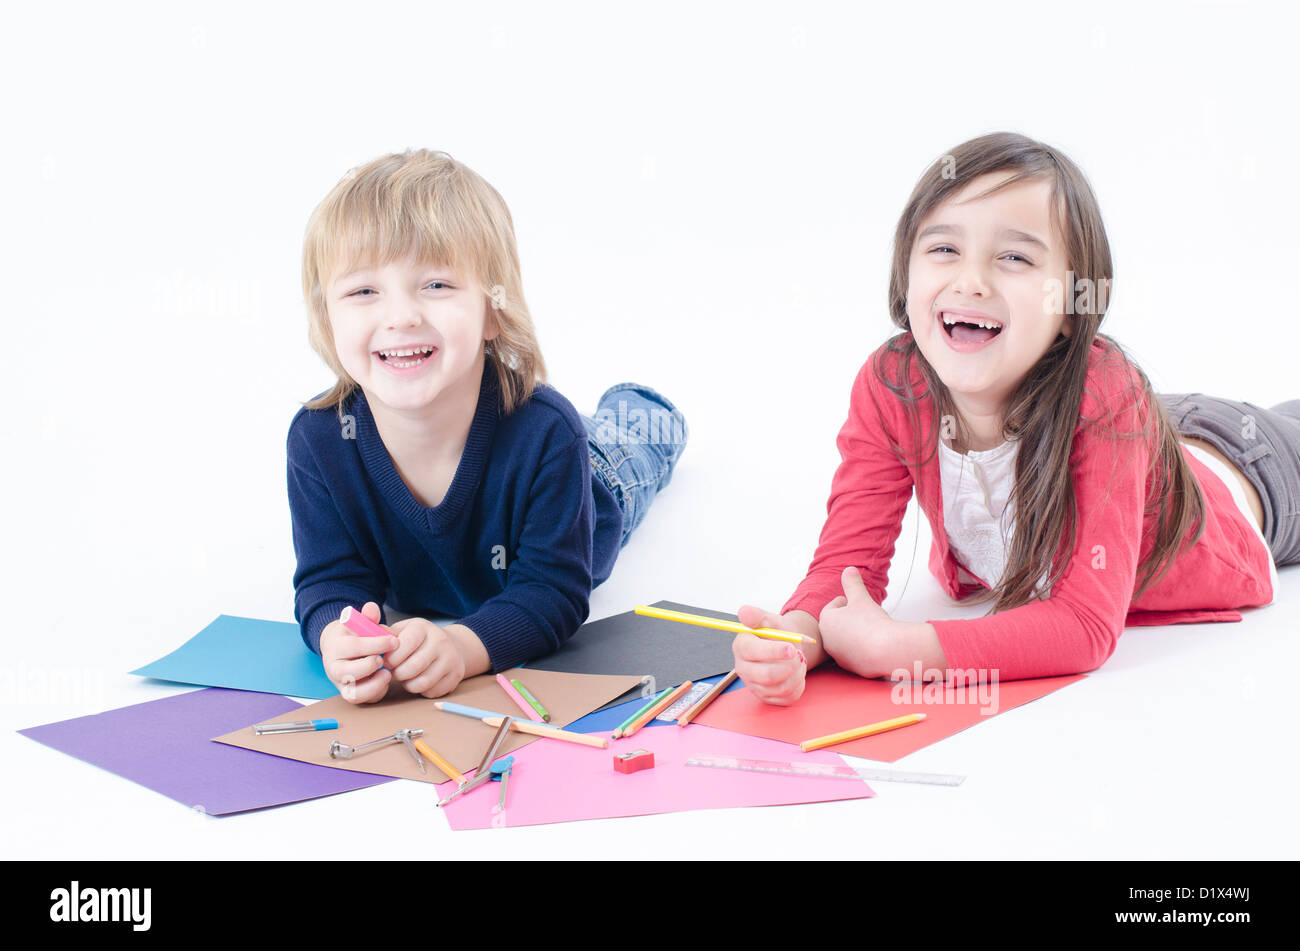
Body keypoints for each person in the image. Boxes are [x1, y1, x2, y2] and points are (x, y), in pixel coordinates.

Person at [733, 131, 1296, 703]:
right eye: (944, 249)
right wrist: (797, 635)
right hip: (1155, 434)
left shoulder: (1105, 395)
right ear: (907, 276)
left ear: (1074, 308)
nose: (971, 281)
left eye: (1014, 257)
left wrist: (904, 649)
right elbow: (844, 568)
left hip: (1257, 471)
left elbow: (1084, 627)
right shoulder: (893, 385)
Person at [288, 149, 687, 703]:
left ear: (494, 310)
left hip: (595, 474)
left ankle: (640, 407)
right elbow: (328, 580)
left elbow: (552, 592)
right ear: (327, 318)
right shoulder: (318, 440)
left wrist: (462, 647)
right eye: (363, 291)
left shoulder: (547, 435)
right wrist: (337, 635)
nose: (400, 316)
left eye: (436, 285)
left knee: (631, 441)